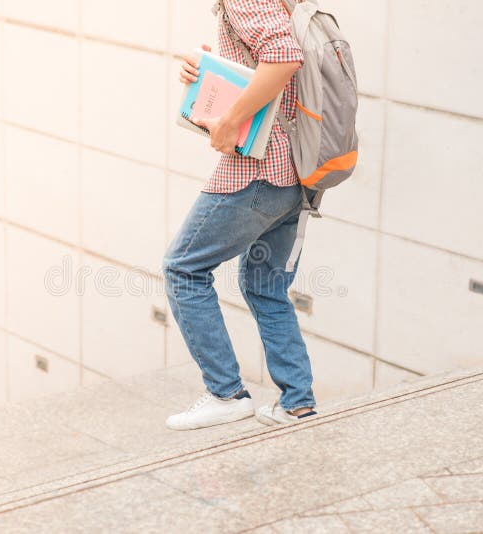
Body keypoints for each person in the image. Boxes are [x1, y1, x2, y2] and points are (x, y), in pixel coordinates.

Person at [162, 0, 318, 431]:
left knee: (183, 269)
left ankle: (225, 393)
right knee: (266, 287)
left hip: (258, 171)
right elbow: (275, 62)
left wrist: (231, 119)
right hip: (295, 175)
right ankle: (298, 403)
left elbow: (284, 58)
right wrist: (212, 68)